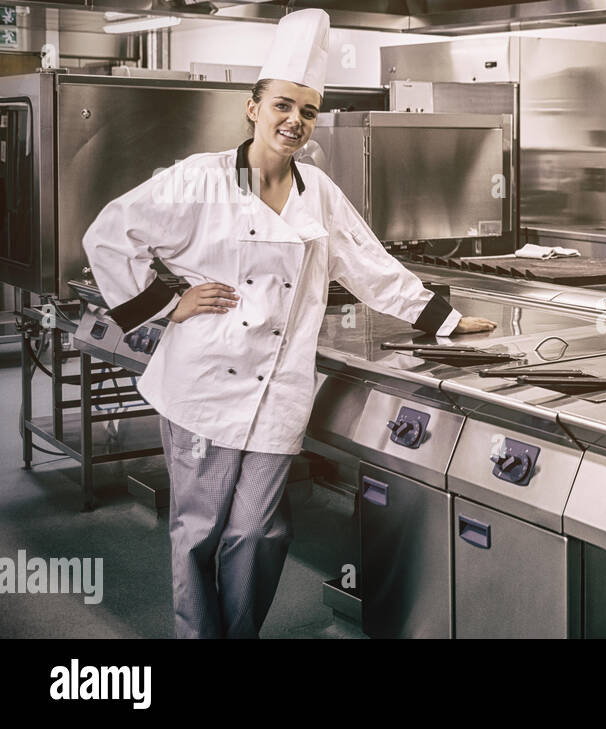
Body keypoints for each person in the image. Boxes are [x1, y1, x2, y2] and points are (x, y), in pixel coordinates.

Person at [82, 9, 495, 638]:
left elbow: (368, 265)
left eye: (307, 110)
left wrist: (443, 318)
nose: (294, 121)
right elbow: (110, 235)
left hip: (278, 391)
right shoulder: (200, 179)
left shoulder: (319, 192)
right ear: (253, 107)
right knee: (198, 530)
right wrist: (167, 305)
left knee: (260, 530)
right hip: (200, 386)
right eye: (282, 105)